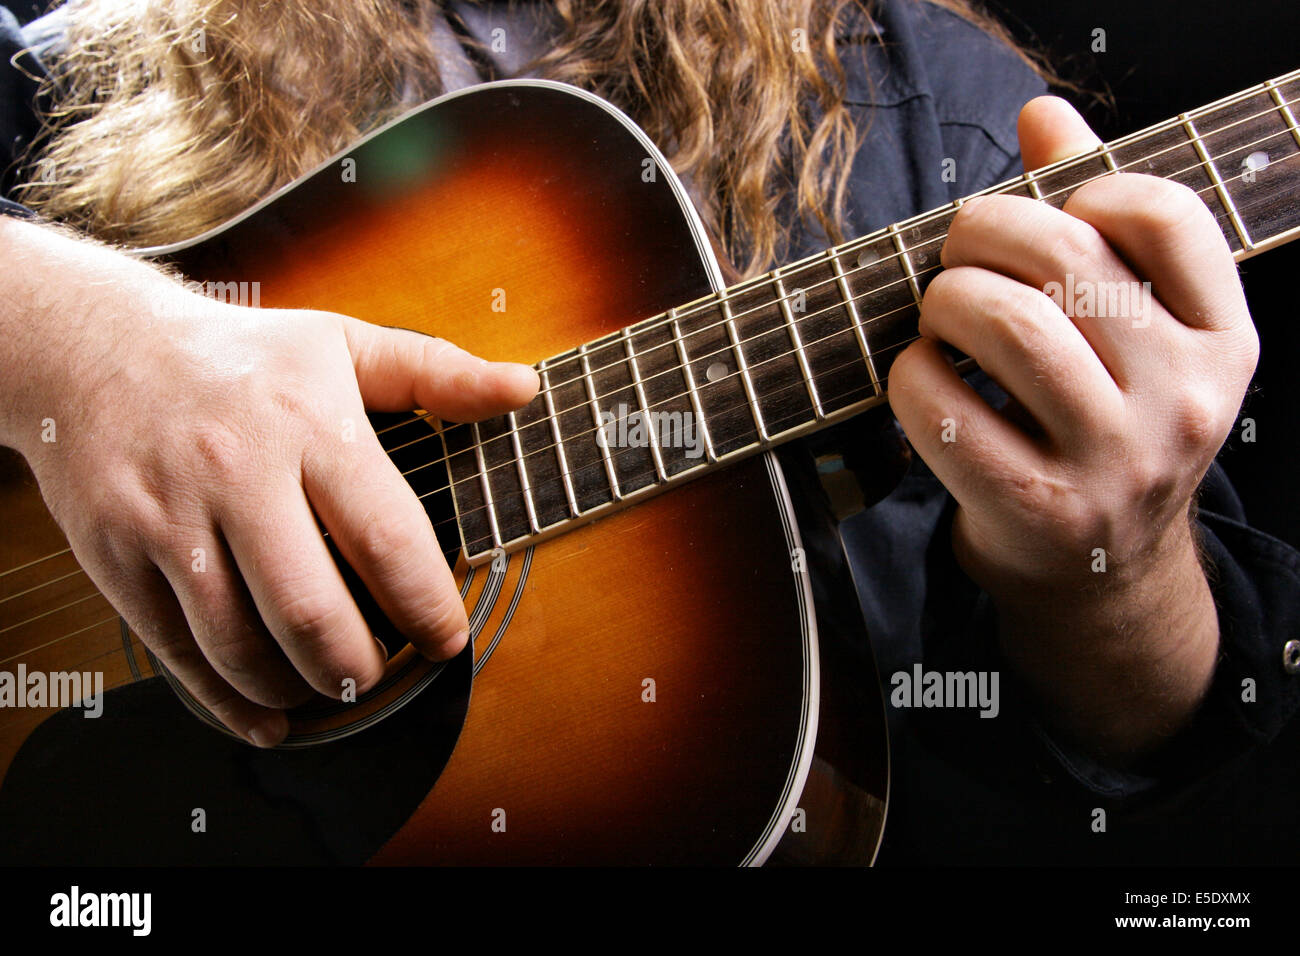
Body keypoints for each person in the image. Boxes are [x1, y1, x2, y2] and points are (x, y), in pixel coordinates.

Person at [0, 0, 1296, 865]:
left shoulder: (943, 107)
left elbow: (1161, 739)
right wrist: (80, 338)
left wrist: (1114, 560)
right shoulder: (83, 64)